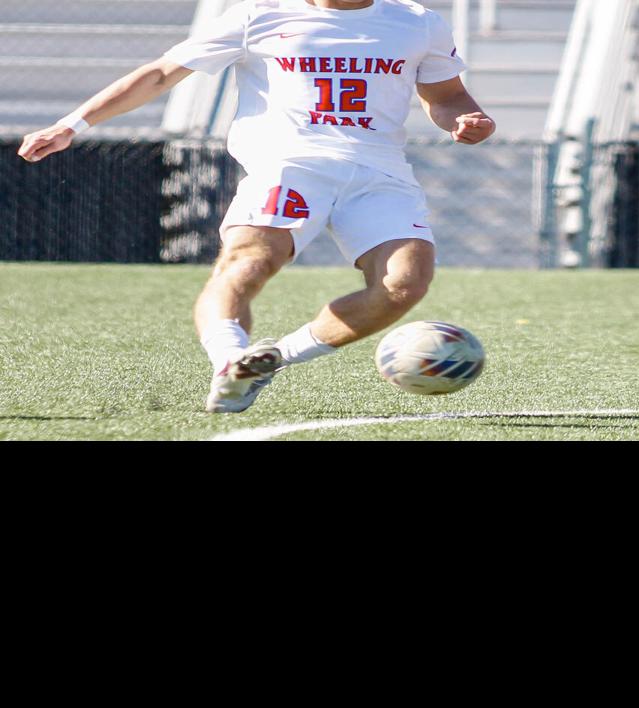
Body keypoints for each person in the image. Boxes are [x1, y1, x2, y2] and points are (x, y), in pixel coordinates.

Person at [17, 0, 495, 412]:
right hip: (289, 165)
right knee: (249, 262)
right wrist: (72, 125)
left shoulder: (418, 22)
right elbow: (161, 74)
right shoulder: (257, 15)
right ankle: (229, 358)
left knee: (403, 286)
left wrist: (468, 120)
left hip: (381, 173)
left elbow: (447, 96)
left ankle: (269, 361)